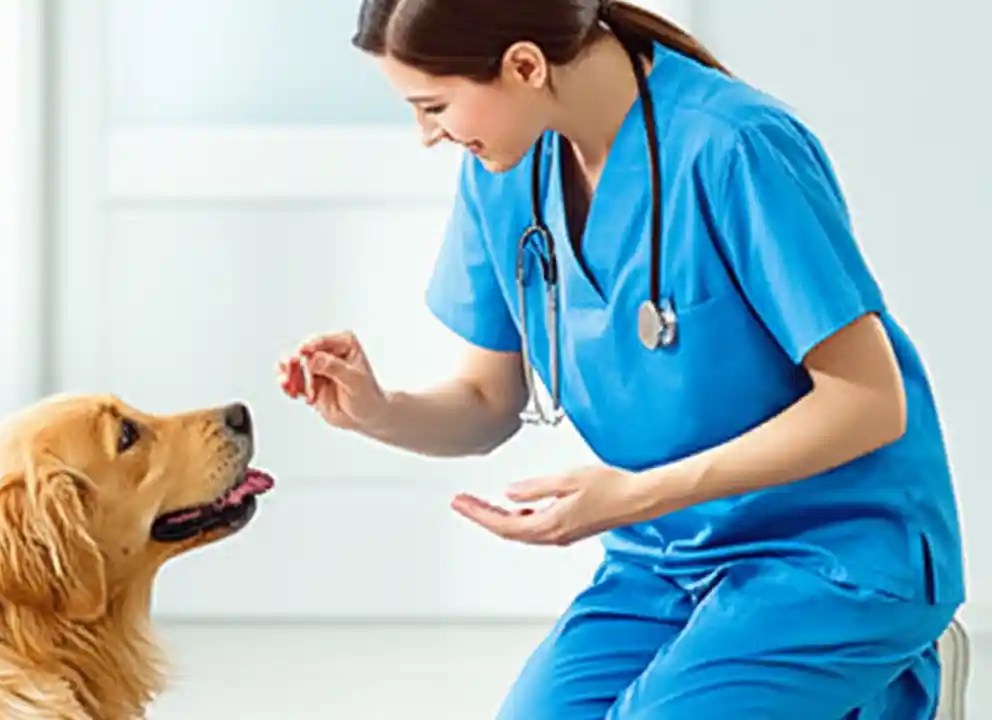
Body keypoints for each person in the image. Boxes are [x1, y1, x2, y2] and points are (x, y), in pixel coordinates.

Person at [277, 0, 965, 718]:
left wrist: (633, 496)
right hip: (664, 556)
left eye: (434, 105)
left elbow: (871, 402)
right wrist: (378, 411)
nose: (427, 135)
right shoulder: (503, 168)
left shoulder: (735, 146)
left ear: (524, 65)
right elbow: (486, 403)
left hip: (836, 551)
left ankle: (896, 678)